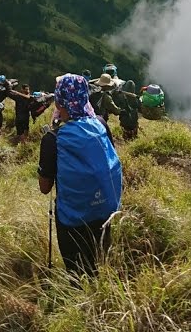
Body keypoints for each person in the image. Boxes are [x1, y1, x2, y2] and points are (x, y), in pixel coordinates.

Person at [38, 74, 123, 277]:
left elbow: (44, 188)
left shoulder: (52, 138)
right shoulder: (101, 124)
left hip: (73, 219)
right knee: (101, 262)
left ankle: (81, 303)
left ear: (59, 100)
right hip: (106, 211)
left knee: (78, 273)